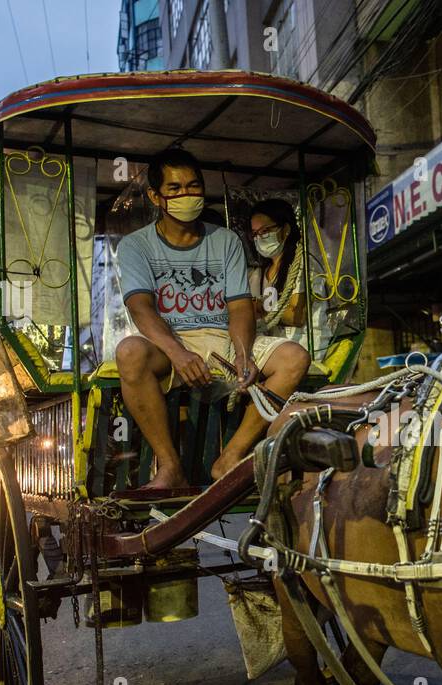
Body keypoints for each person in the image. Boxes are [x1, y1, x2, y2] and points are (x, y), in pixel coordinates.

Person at [114, 149, 309, 487]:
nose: (186, 196)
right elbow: (140, 308)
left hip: (223, 338)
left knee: (295, 358)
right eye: (174, 189)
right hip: (170, 342)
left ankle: (231, 457)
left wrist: (244, 354)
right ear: (155, 196)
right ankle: (171, 467)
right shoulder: (135, 246)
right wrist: (178, 353)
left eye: (193, 186)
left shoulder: (226, 240)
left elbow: (239, 307)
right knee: (129, 352)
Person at [249, 198, 332, 366]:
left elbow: (296, 316)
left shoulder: (304, 264)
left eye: (265, 231)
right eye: (255, 234)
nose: (259, 238)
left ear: (285, 229)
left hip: (306, 350)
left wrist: (257, 306)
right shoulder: (256, 276)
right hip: (273, 351)